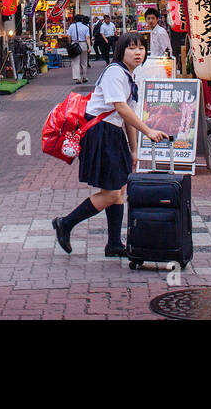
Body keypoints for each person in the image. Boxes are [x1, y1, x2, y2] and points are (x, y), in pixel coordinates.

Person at [52, 33, 167, 258]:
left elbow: (127, 115)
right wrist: (148, 131)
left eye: (141, 48)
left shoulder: (129, 75)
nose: (138, 52)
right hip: (100, 132)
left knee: (119, 190)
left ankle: (114, 244)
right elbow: (121, 108)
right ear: (120, 51)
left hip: (112, 133)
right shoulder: (115, 72)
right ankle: (65, 223)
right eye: (132, 48)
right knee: (113, 193)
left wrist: (134, 149)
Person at [66, 15, 91, 83]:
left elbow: (68, 36)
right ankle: (84, 77)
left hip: (74, 44)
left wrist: (70, 43)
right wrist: (89, 46)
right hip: (83, 44)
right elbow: (87, 38)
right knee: (84, 62)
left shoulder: (71, 26)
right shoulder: (86, 27)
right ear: (82, 20)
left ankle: (77, 78)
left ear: (75, 20)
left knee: (75, 62)